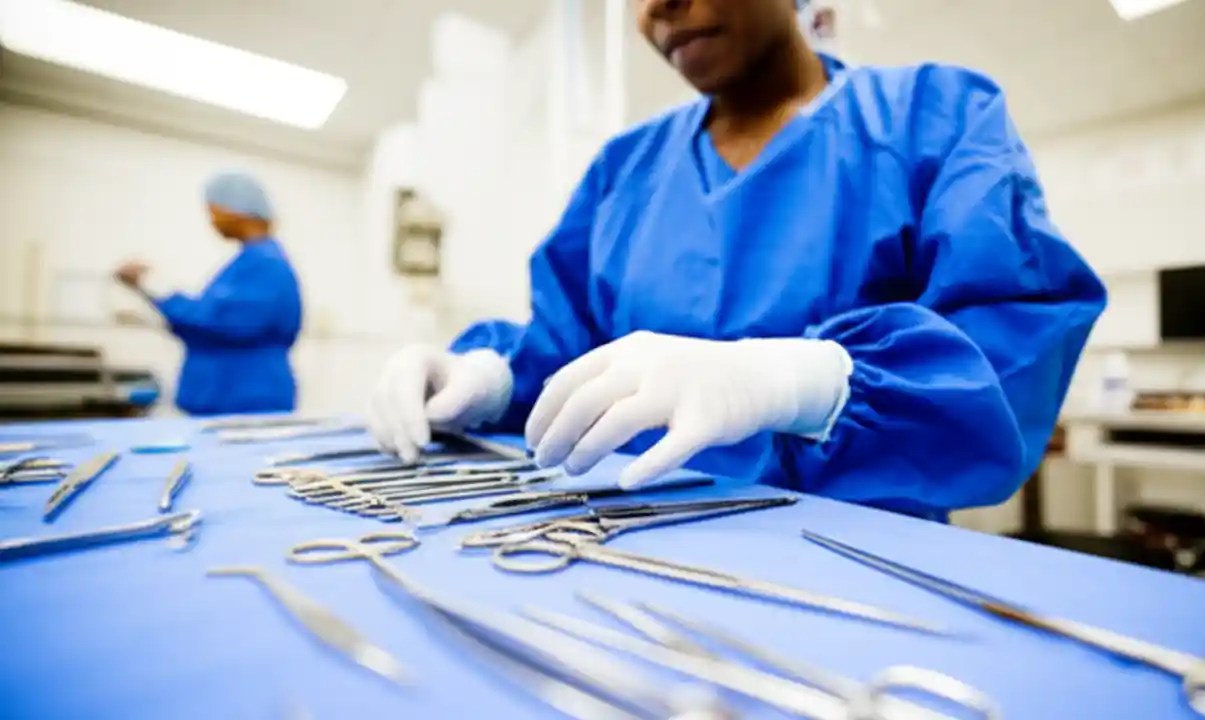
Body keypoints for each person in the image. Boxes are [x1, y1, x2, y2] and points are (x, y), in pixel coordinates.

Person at [369, 0, 1107, 521]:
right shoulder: (625, 170)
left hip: (862, 569)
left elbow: (1009, 355)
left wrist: (800, 382)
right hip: (620, 543)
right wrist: (485, 379)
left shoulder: (936, 118)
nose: (660, 5)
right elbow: (569, 355)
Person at [115, 171, 303, 416]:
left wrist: (153, 287)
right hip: (226, 396)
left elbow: (220, 322)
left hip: (244, 398)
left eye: (214, 212)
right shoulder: (247, 262)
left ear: (236, 209)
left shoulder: (265, 263)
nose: (212, 221)